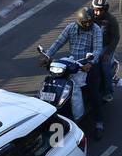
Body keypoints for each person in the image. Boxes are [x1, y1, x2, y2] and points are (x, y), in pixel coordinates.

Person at [45, 7, 104, 137]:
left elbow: (98, 50)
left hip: (88, 64)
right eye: (85, 22)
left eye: (90, 22)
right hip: (72, 63)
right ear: (79, 21)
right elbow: (58, 42)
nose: (88, 24)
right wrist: (47, 55)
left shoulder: (96, 30)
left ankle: (99, 123)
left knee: (94, 92)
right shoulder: (71, 28)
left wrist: (90, 63)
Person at [90, 0, 120, 102]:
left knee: (104, 65)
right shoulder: (90, 17)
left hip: (105, 47)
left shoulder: (111, 20)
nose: (97, 13)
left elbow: (116, 38)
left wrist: (107, 53)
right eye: (95, 10)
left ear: (105, 9)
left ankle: (108, 91)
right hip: (92, 46)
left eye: (100, 10)